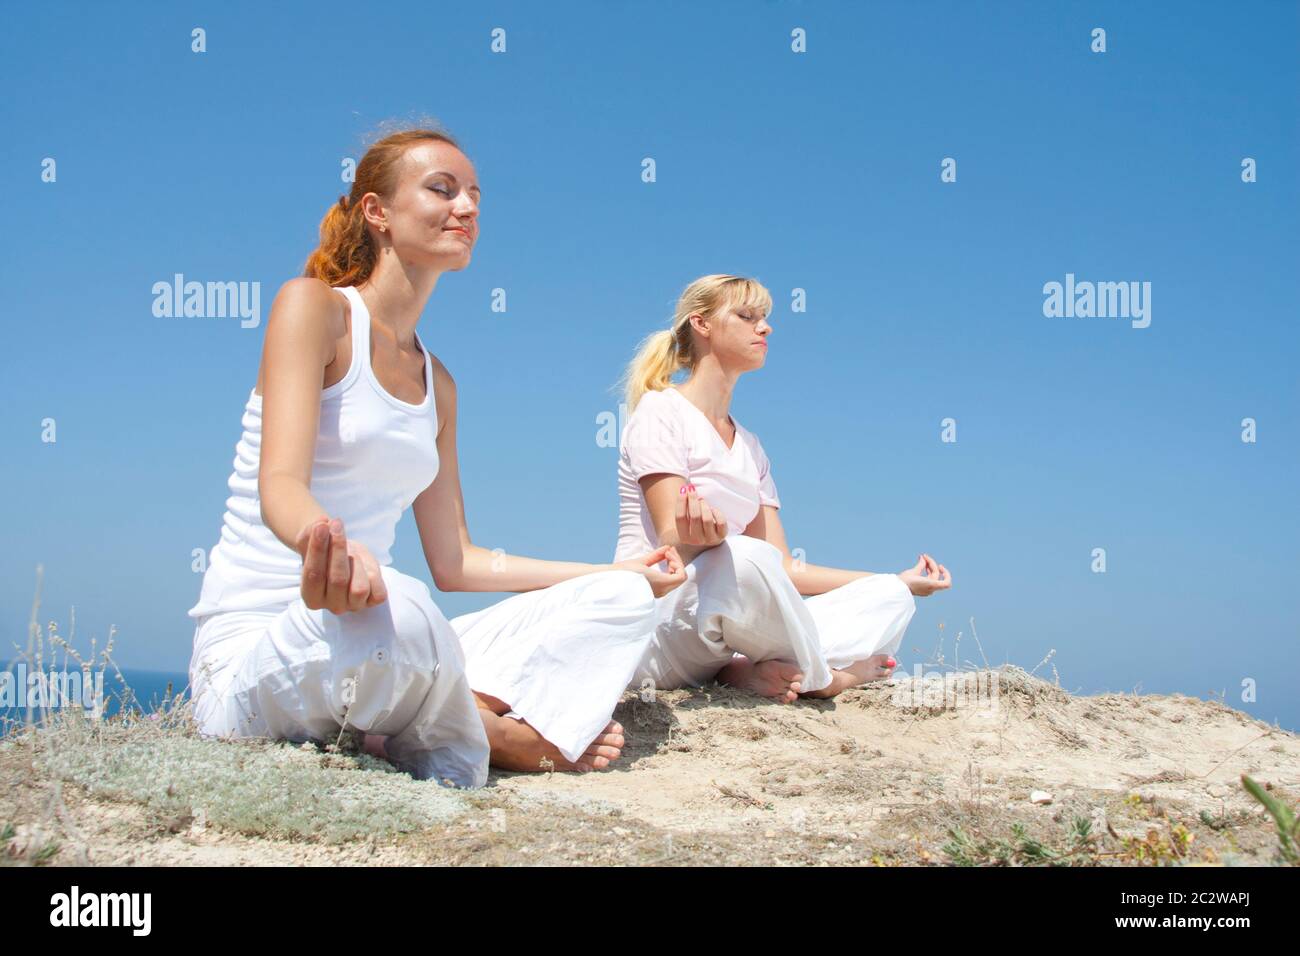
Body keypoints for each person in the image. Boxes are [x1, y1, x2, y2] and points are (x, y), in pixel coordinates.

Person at [187, 127, 684, 788]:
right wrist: (327, 546)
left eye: (475, 194)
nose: (468, 208)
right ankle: (501, 734)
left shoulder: (438, 383)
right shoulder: (314, 309)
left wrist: (614, 569)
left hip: (385, 631)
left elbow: (457, 560)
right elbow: (278, 482)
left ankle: (414, 717)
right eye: (443, 189)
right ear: (378, 212)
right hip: (267, 646)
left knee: (619, 598)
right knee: (403, 607)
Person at [614, 274, 952, 703]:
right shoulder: (661, 411)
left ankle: (741, 670)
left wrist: (892, 579)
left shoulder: (751, 446)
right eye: (747, 316)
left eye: (766, 318)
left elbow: (784, 568)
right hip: (661, 626)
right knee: (742, 554)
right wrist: (712, 541)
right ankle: (829, 678)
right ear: (702, 325)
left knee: (890, 596)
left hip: (725, 626)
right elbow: (669, 543)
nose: (765, 327)